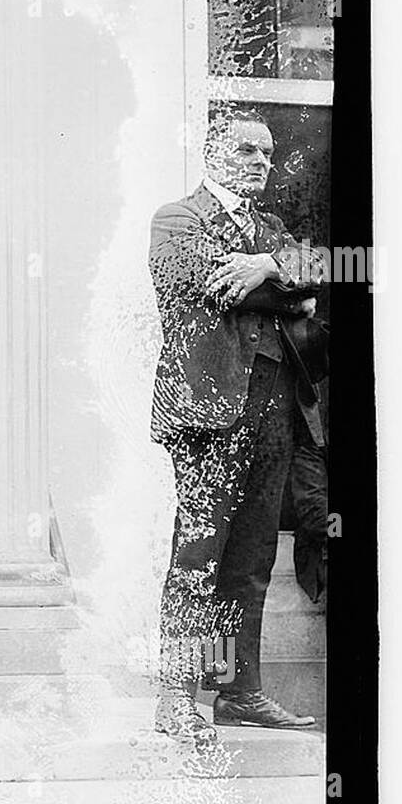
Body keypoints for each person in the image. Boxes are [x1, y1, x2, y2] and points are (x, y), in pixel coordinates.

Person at [149, 105, 330, 743]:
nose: (260, 163)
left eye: (267, 154)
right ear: (212, 153)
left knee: (253, 556)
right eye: (246, 151)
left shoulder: (272, 227)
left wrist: (268, 267)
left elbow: (312, 287)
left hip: (275, 408)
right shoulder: (176, 218)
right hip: (206, 411)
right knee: (197, 555)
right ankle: (175, 696)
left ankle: (237, 691)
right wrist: (274, 278)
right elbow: (204, 283)